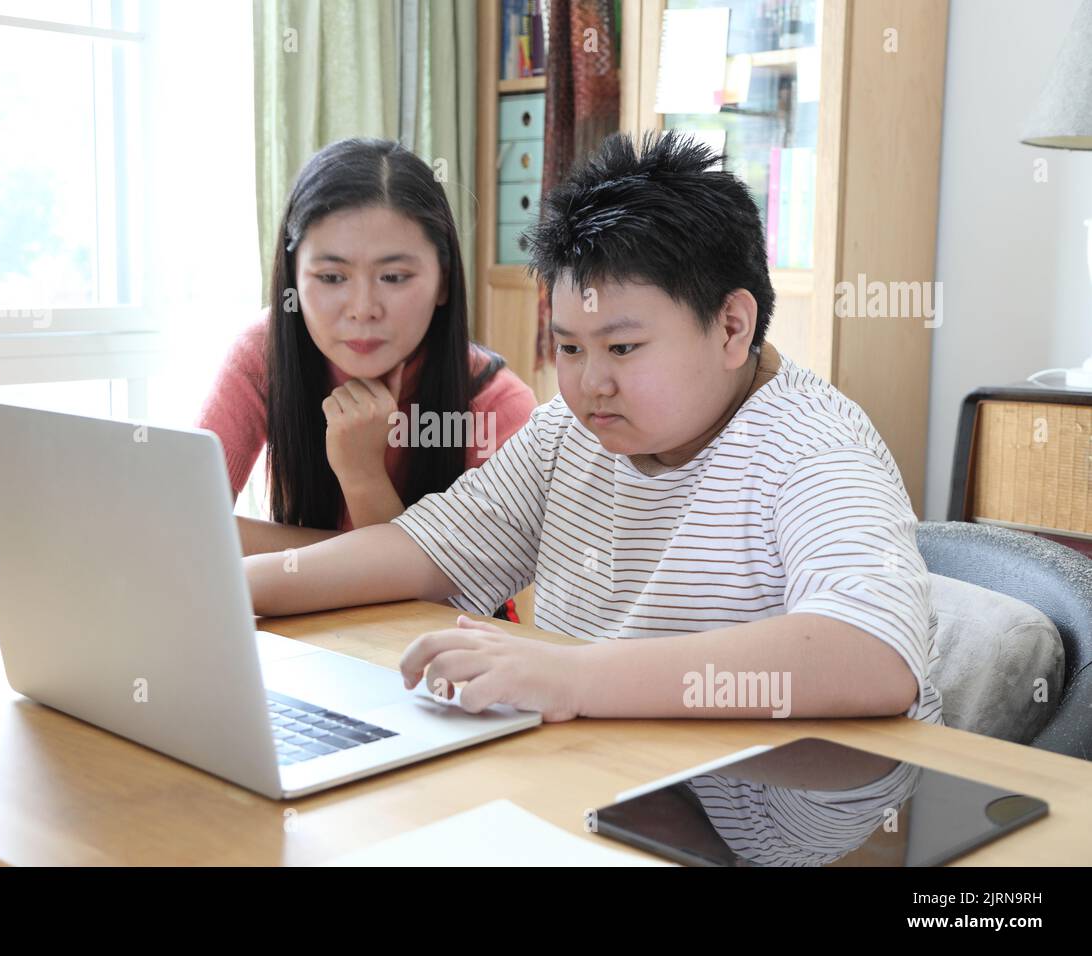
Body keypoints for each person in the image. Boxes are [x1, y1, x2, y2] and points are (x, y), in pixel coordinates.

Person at [243, 130, 943, 726]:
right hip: (607, 778)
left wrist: (573, 677)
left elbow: (874, 654)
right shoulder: (567, 435)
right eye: (570, 348)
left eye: (624, 348)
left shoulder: (814, 445)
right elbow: (421, 553)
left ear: (733, 326)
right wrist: (237, 584)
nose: (589, 384)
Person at [197, 138, 537, 572]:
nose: (362, 308)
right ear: (293, 281)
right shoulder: (262, 357)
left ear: (444, 283)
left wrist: (360, 471)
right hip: (301, 630)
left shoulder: (496, 405)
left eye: (394, 277)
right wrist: (364, 549)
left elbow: (437, 597)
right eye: (332, 276)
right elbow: (182, 526)